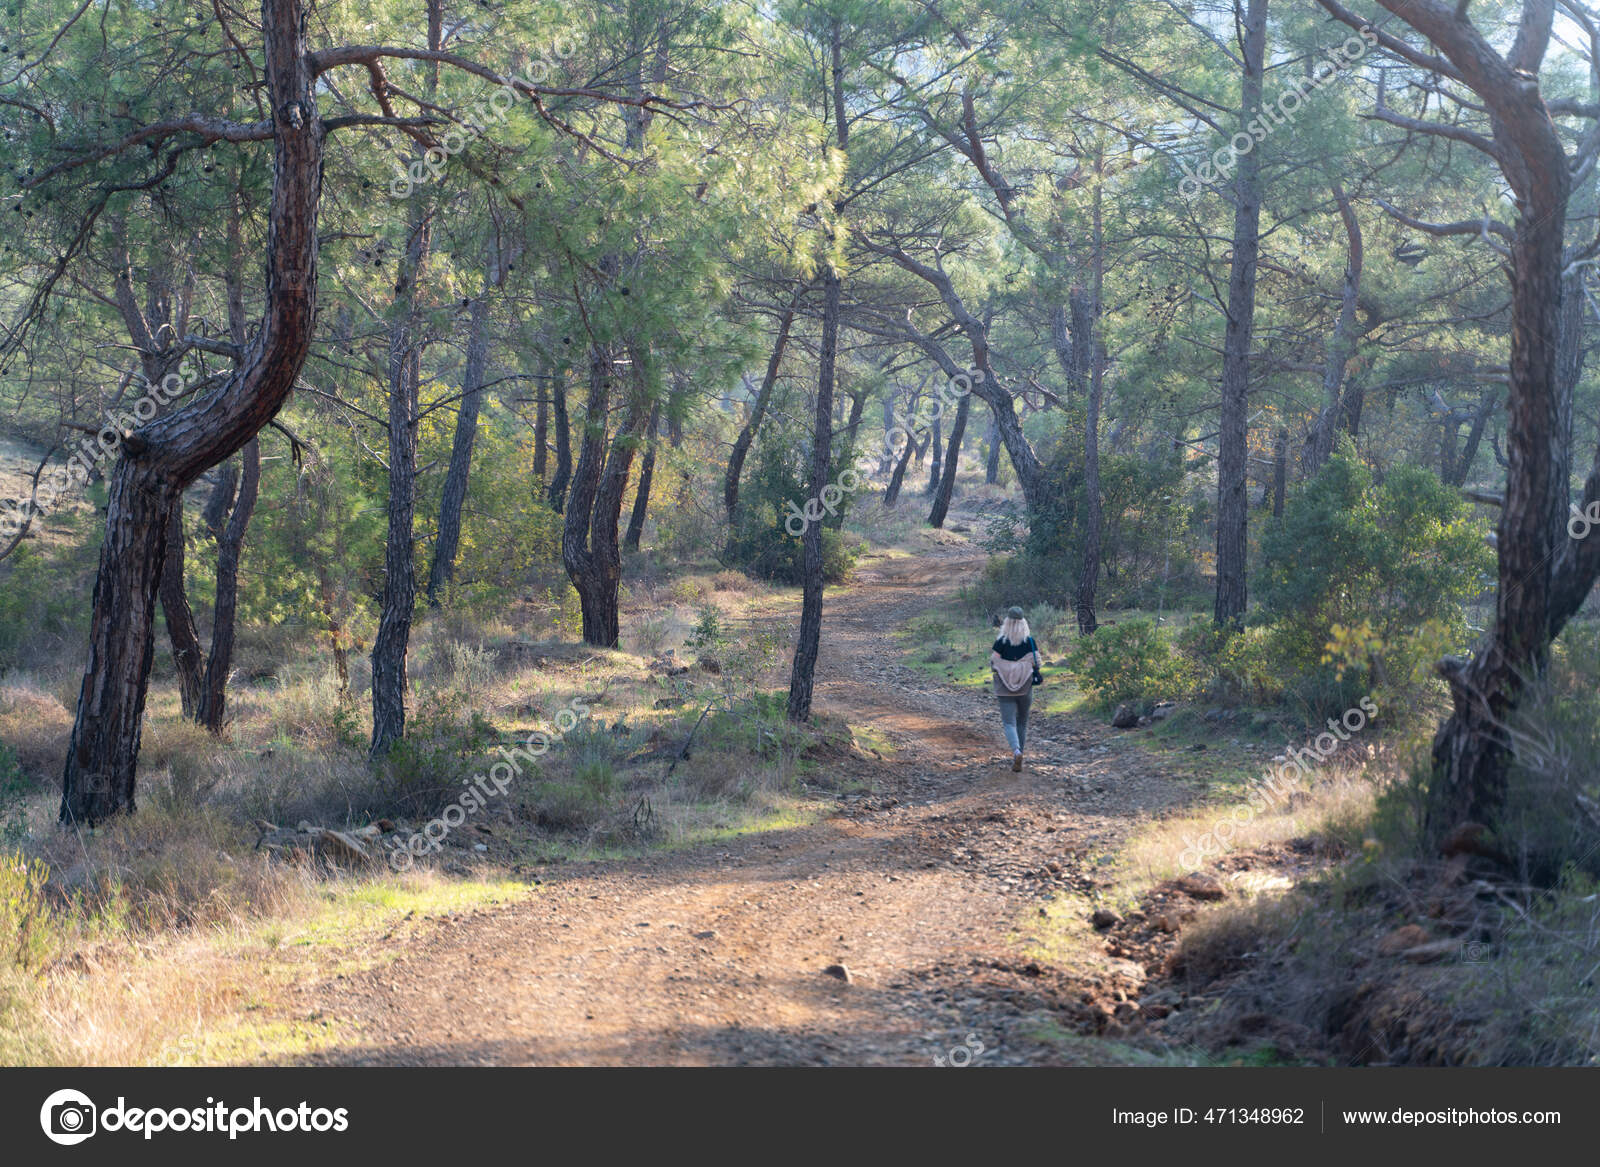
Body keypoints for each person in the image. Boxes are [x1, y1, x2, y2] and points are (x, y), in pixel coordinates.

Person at [990, 605, 1042, 771]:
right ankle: (1021, 755)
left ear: (1007, 622)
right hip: (1025, 688)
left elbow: (993, 663)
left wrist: (1007, 668)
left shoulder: (1001, 642)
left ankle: (1016, 751)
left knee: (1008, 722)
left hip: (1005, 690)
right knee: (1022, 722)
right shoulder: (1030, 641)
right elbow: (1037, 662)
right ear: (1023, 622)